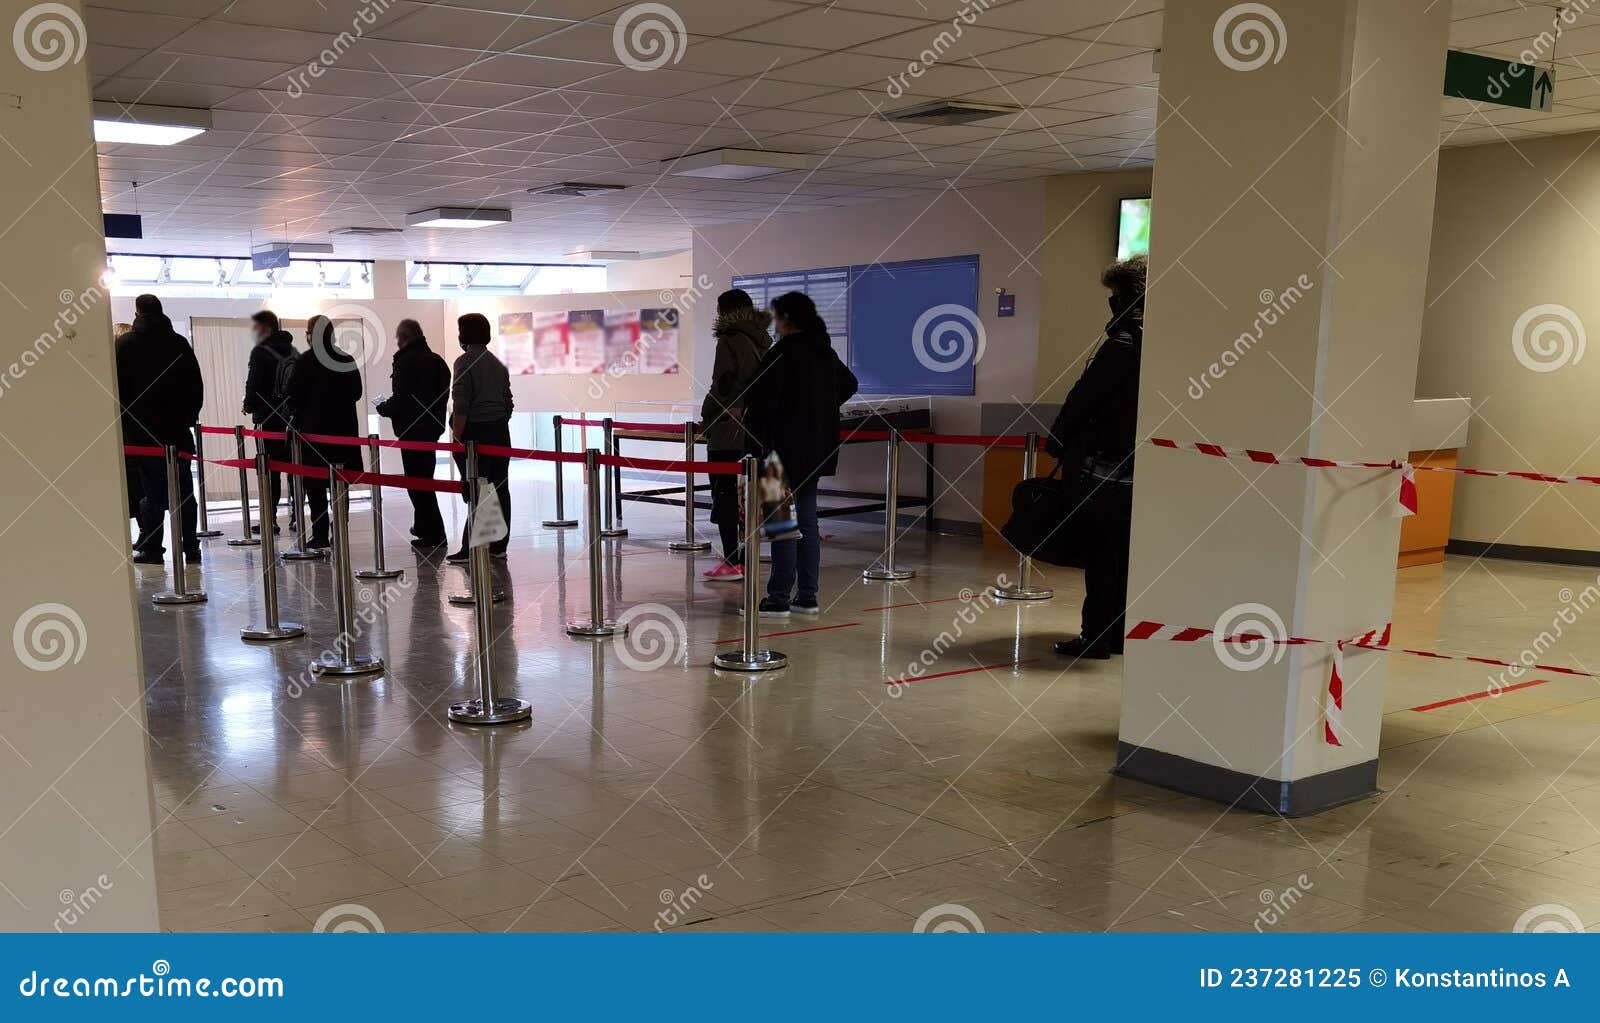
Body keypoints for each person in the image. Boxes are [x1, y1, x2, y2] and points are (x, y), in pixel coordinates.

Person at [1046, 255, 1146, 662]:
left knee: (1102, 557)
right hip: (1140, 469)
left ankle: (1095, 638)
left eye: (1116, 295)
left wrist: (1058, 441)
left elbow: (1085, 397)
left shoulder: (1122, 342)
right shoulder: (1164, 340)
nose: (1112, 303)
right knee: (1124, 558)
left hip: (1104, 469)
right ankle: (1119, 633)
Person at [742, 291, 858, 618]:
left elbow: (758, 400)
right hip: (816, 448)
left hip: (779, 450)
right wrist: (819, 409)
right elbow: (850, 383)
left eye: (778, 318)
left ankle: (778, 596)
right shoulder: (823, 351)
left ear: (788, 319)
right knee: (807, 520)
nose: (775, 324)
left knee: (781, 523)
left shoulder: (781, 354)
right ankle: (807, 596)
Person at [116, 295, 205, 564]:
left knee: (150, 493)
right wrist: (189, 417)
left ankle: (153, 548)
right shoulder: (179, 343)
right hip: (176, 432)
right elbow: (195, 385)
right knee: (184, 493)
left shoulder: (126, 345)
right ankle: (191, 546)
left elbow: (117, 390)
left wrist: (124, 422)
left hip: (142, 433)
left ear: (137, 312)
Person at [699, 288, 772, 581]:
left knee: (723, 490)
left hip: (729, 427)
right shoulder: (762, 340)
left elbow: (723, 385)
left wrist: (707, 416)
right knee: (758, 489)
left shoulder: (730, 340)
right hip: (756, 426)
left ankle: (732, 560)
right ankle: (753, 553)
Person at [283, 316, 364, 549]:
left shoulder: (306, 361)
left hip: (313, 434)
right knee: (340, 485)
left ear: (311, 335)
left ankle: (319, 533)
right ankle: (339, 530)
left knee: (315, 486)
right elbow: (357, 392)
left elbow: (292, 396)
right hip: (344, 433)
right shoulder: (345, 359)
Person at [375, 319, 452, 551]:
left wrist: (384, 408)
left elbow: (402, 399)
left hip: (411, 431)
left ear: (403, 338)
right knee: (424, 481)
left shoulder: (405, 362)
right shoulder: (437, 361)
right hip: (431, 429)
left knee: (417, 484)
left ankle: (435, 534)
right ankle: (424, 527)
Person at [448, 313, 513, 562]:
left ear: (463, 334)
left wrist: (457, 435)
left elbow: (461, 404)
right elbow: (508, 403)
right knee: (500, 487)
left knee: (477, 486)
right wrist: (498, 420)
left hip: (475, 432)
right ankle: (498, 546)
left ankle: (472, 546)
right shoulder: (497, 363)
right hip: (499, 431)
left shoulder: (463, 362)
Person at [240, 309, 296, 531]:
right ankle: (296, 517)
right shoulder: (292, 351)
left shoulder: (260, 352)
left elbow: (254, 384)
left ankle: (269, 519)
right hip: (290, 419)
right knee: (294, 468)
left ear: (266, 328)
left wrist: (248, 405)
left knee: (268, 470)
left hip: (267, 419)